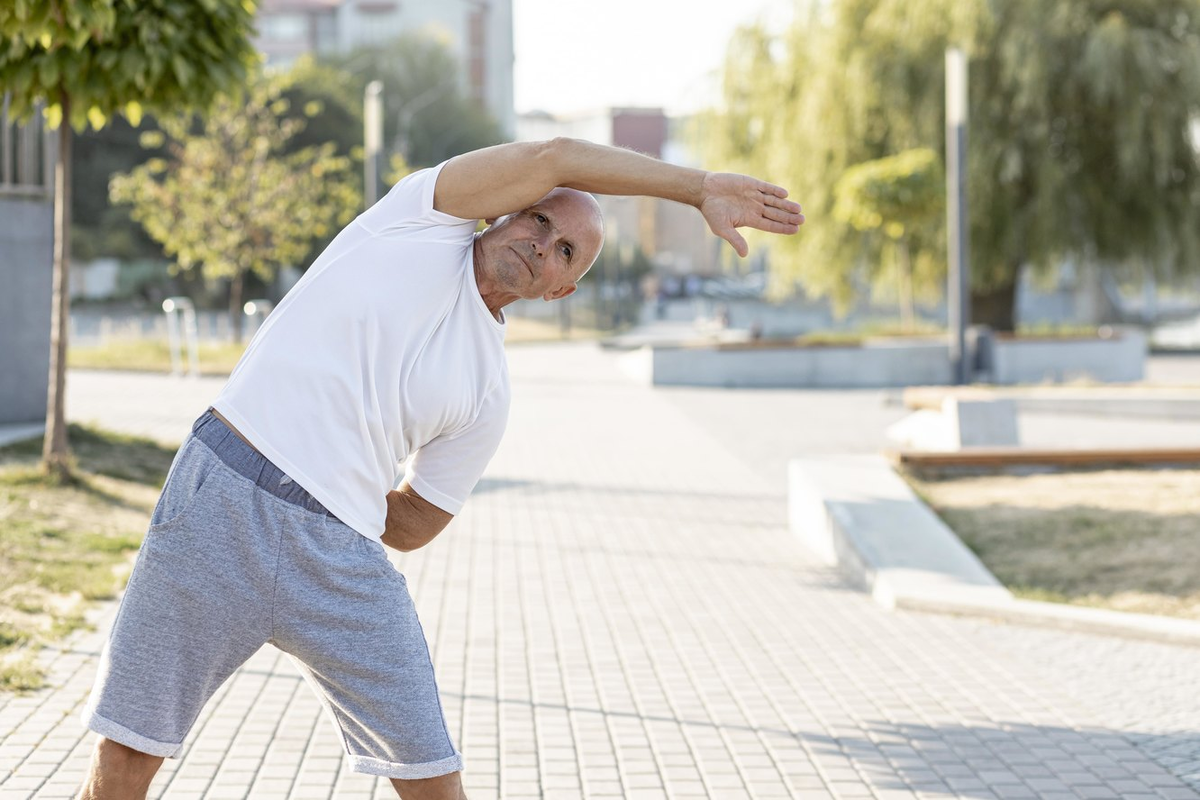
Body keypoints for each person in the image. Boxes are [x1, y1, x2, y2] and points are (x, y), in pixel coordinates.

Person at [75, 137, 804, 800]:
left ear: (561, 290)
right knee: (126, 763)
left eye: (565, 253)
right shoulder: (418, 218)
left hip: (341, 558)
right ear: (503, 213)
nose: (542, 245)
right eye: (539, 222)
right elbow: (553, 156)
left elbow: (421, 519)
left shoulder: (489, 391)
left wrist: (344, 497)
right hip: (220, 501)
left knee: (429, 775)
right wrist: (697, 186)